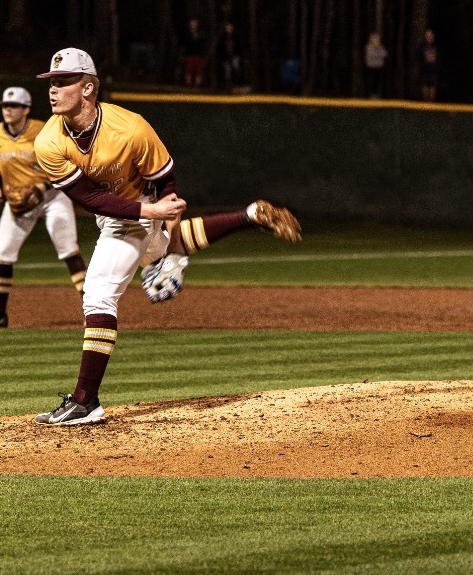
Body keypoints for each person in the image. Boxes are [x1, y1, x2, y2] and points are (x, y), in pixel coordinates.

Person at [26, 47, 302, 426]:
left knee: (99, 293)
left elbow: (167, 186)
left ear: (88, 88)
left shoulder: (131, 128)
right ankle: (249, 215)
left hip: (141, 206)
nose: (53, 89)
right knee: (155, 251)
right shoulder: (48, 141)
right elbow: (89, 198)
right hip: (126, 213)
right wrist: (167, 243)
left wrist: (159, 225)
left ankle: (85, 401)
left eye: (63, 81)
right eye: (52, 82)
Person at [0, 86, 88, 329]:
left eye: (14, 106)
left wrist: (43, 186)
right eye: (5, 106)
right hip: (18, 201)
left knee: (69, 250)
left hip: (53, 197)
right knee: (3, 254)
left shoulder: (43, 131)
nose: (8, 110)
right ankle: (0, 316)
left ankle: (93, 310)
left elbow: (67, 161)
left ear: (26, 109)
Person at [180, 19, 207, 88]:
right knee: (188, 70)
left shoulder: (201, 33)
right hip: (189, 55)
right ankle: (188, 85)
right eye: (192, 23)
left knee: (199, 71)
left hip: (199, 55)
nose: (193, 25)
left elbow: (203, 44)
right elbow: (185, 44)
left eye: (194, 23)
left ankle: (197, 86)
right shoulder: (187, 33)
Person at [217, 21, 242, 88]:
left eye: (230, 27)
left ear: (232, 28)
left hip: (235, 56)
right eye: (228, 27)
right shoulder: (223, 37)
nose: (229, 28)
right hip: (226, 57)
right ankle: (228, 83)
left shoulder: (236, 36)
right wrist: (222, 56)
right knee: (227, 70)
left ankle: (237, 82)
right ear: (226, 29)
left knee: (236, 68)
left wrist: (237, 55)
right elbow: (220, 48)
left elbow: (239, 47)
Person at [363, 32, 388, 98]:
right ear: (371, 39)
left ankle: (377, 95)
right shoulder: (368, 47)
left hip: (379, 67)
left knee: (378, 82)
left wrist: (379, 49)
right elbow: (373, 55)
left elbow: (385, 54)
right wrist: (378, 51)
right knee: (371, 81)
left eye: (377, 38)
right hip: (371, 67)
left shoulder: (381, 46)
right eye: (374, 38)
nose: (376, 40)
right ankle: (370, 95)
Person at [418, 28, 440, 101]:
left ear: (433, 37)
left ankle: (431, 102)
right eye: (427, 36)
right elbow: (418, 57)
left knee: (433, 86)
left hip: (434, 70)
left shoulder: (436, 47)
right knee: (425, 85)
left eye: (430, 35)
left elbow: (439, 58)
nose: (429, 37)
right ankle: (425, 102)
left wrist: (437, 67)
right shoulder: (421, 47)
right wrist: (421, 66)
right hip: (424, 69)